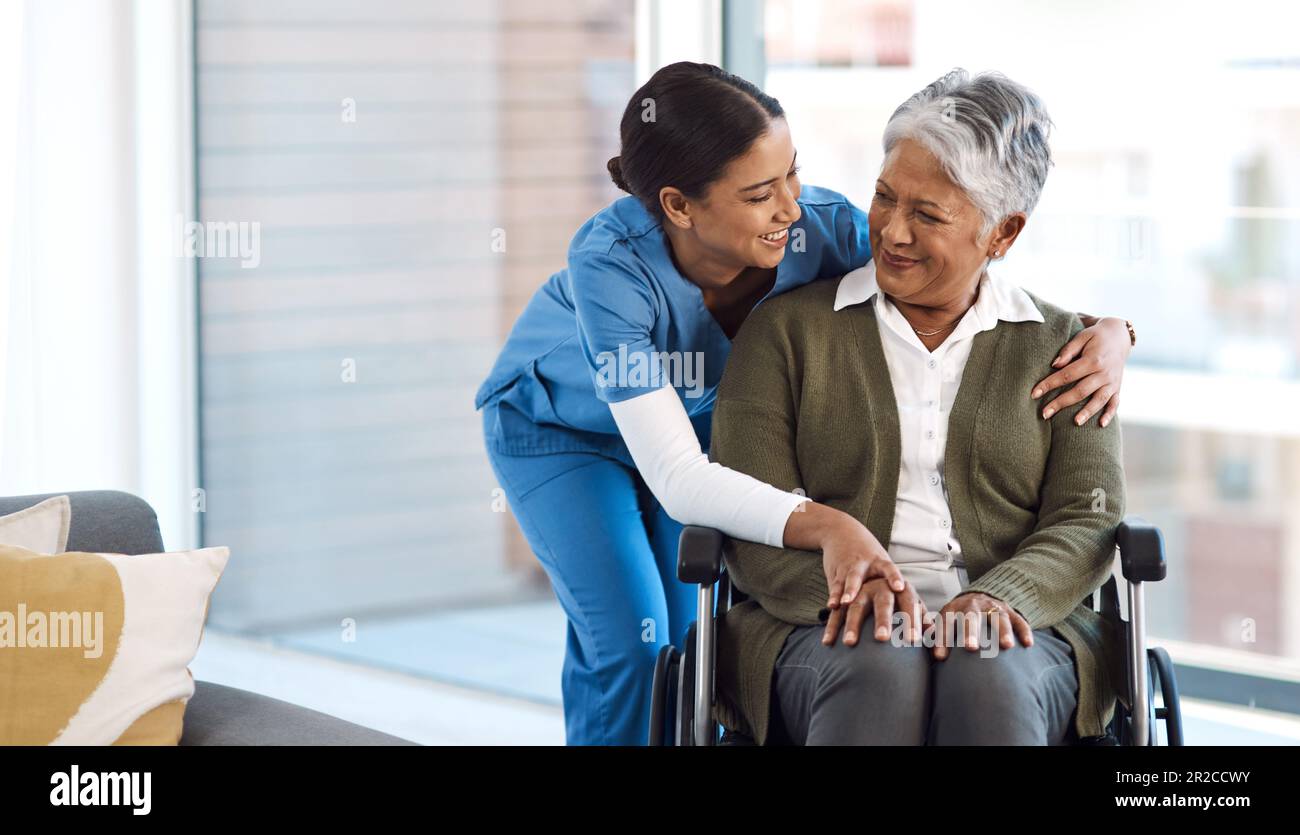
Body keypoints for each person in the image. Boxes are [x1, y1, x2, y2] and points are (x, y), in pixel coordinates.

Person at [474, 62, 1134, 745]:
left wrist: (1112, 332)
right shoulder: (611, 266)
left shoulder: (824, 230)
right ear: (679, 206)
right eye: (762, 193)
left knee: (680, 637)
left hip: (691, 429)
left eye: (793, 174)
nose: (790, 207)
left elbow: (978, 295)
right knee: (630, 640)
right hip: (565, 432)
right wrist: (830, 531)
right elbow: (679, 480)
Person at [710, 69, 1126, 745]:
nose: (892, 232)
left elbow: (1087, 517)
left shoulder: (1067, 353)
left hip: (1023, 631)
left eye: (928, 214)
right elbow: (752, 505)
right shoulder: (786, 333)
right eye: (883, 197)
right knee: (879, 662)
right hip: (820, 627)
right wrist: (856, 602)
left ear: (1003, 233)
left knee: (984, 665)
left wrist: (1000, 597)